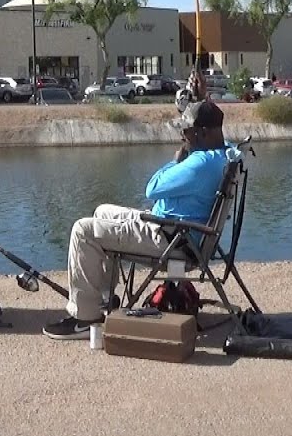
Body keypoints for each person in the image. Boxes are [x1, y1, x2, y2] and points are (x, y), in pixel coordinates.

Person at [43, 100, 231, 340]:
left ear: (202, 133)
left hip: (171, 239)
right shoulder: (224, 154)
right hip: (179, 232)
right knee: (102, 211)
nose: (182, 136)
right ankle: (104, 300)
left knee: (83, 230)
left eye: (185, 131)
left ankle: (85, 318)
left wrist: (176, 161)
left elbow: (152, 189)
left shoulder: (199, 163)